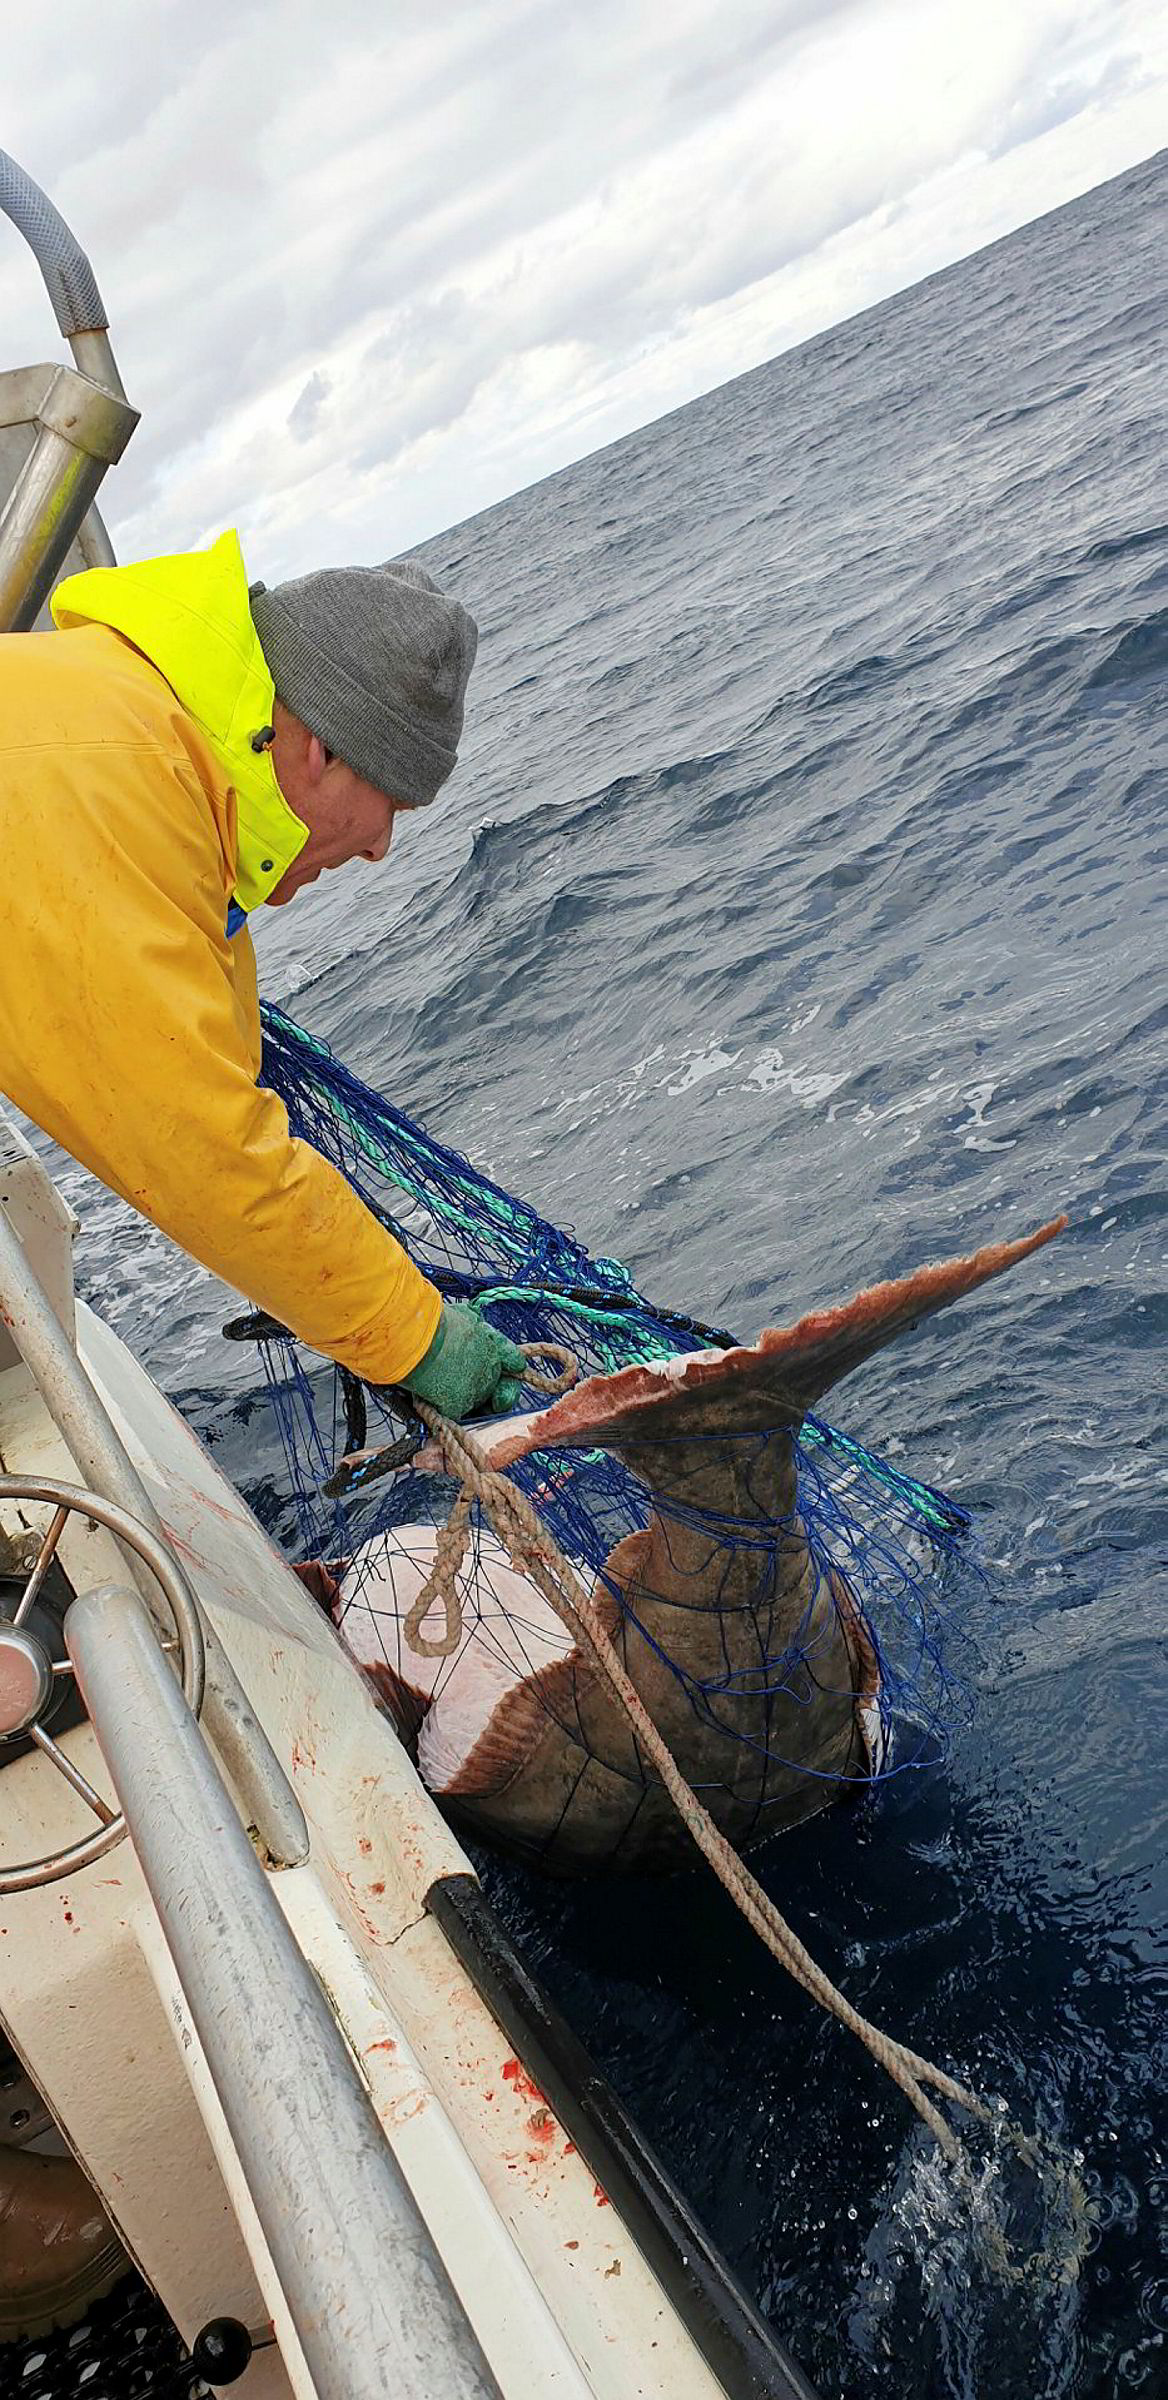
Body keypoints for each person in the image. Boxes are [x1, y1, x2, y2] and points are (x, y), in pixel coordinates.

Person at [0, 527, 526, 2333]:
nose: (378, 847)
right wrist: (421, 1343)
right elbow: (206, 1153)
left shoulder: (138, 735)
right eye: (380, 802)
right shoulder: (91, 771)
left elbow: (194, 1030)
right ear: (304, 744)